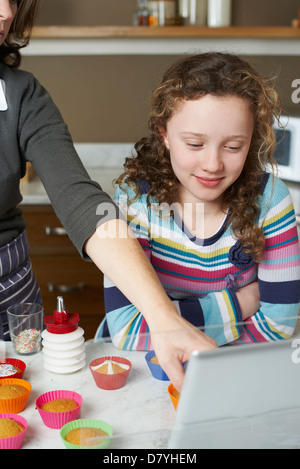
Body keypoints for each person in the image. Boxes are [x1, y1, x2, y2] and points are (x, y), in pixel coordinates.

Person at [0, 0, 217, 391]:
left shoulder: (22, 96)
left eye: (12, 0)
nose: (5, 12)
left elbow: (83, 204)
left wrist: (164, 319)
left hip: (10, 298)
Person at [96, 52, 300, 352]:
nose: (212, 164)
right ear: (164, 134)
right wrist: (243, 302)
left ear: (251, 140)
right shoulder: (135, 199)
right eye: (194, 144)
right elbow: (128, 330)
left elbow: (279, 325)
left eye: (233, 146)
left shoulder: (271, 199)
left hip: (230, 368)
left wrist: (176, 332)